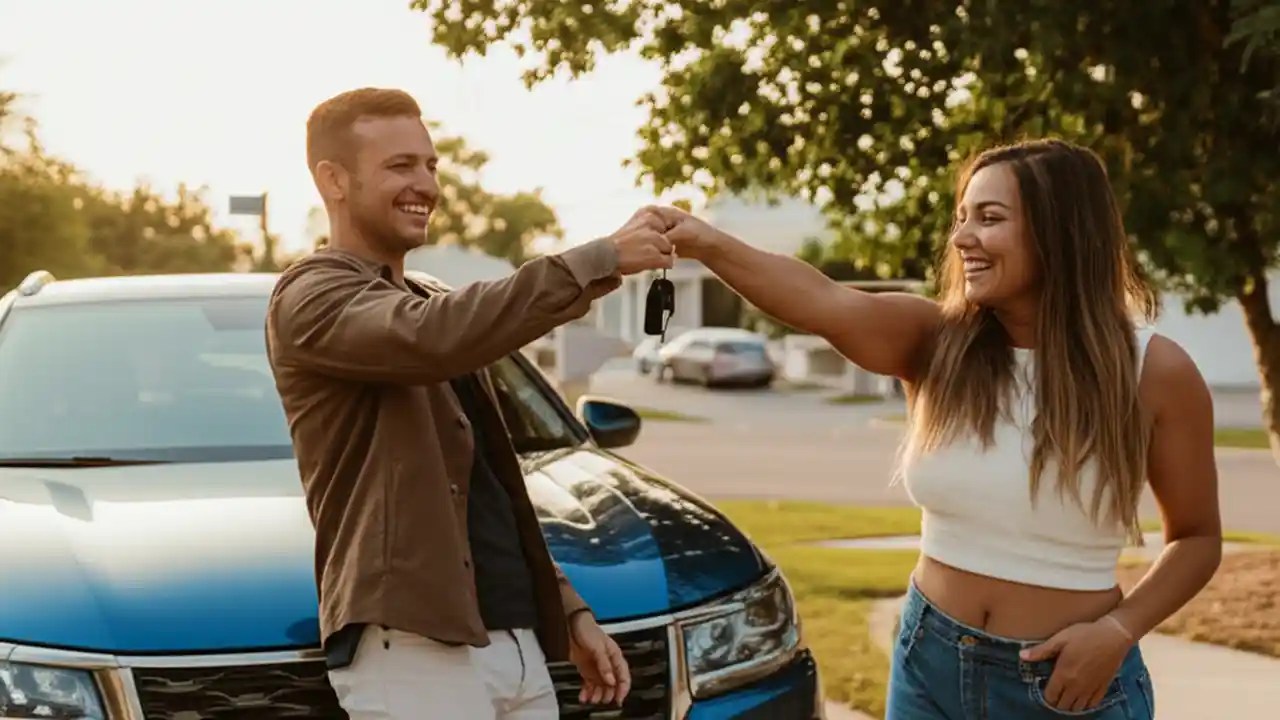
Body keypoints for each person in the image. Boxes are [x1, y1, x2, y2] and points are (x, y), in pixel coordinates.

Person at [653, 138, 1222, 718]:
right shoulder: (935, 341)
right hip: (929, 662)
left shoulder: (1154, 371)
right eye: (961, 218)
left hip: (1069, 684)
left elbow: (1197, 538)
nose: (961, 239)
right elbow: (817, 299)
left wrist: (1120, 630)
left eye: (989, 218)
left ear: (1061, 232)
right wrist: (703, 239)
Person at [265, 87, 675, 719]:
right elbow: (436, 338)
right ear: (333, 180)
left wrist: (568, 610)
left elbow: (490, 487)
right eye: (401, 165)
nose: (425, 184)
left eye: (430, 165)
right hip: (415, 652)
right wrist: (600, 258)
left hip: (515, 645)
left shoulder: (430, 298)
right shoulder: (312, 298)